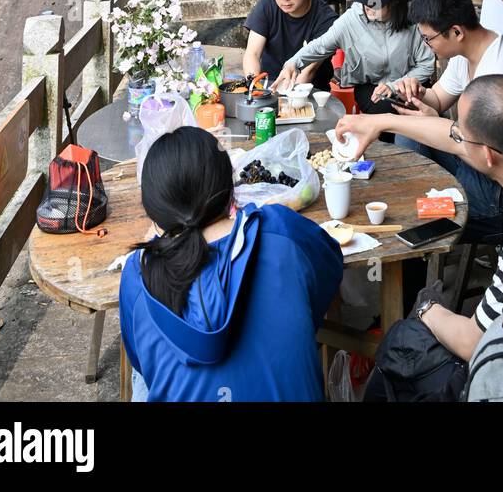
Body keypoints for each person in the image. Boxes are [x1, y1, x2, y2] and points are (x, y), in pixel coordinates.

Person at [119, 126, 343, 401]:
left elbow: (144, 362)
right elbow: (328, 275)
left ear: (154, 216)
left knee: (140, 377)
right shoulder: (281, 229)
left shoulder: (136, 273)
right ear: (231, 192)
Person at [374, 76, 503, 370]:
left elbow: (472, 342)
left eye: (459, 136)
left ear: (487, 155)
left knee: (400, 342)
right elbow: (450, 138)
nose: (454, 139)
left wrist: (426, 307)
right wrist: (380, 123)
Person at [335, 0, 503, 236]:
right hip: (485, 158)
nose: (428, 47)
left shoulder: (498, 71)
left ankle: (418, 226)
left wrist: (385, 122)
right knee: (411, 137)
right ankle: (420, 208)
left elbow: (473, 148)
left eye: (429, 39)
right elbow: (438, 99)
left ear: (456, 32)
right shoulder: (469, 52)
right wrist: (415, 93)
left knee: (410, 206)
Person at [272, 0, 435, 112]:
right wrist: (293, 62)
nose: (368, 6)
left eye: (376, 3)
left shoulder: (414, 21)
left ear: (394, 3)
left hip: (410, 86)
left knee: (414, 109)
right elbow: (320, 45)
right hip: (370, 86)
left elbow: (426, 65)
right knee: (387, 107)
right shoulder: (352, 20)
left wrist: (395, 86)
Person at [242, 0, 334, 90]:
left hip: (309, 90)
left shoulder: (325, 19)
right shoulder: (266, 7)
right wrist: (255, 87)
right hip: (269, 85)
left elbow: (308, 72)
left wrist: (286, 101)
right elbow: (252, 54)